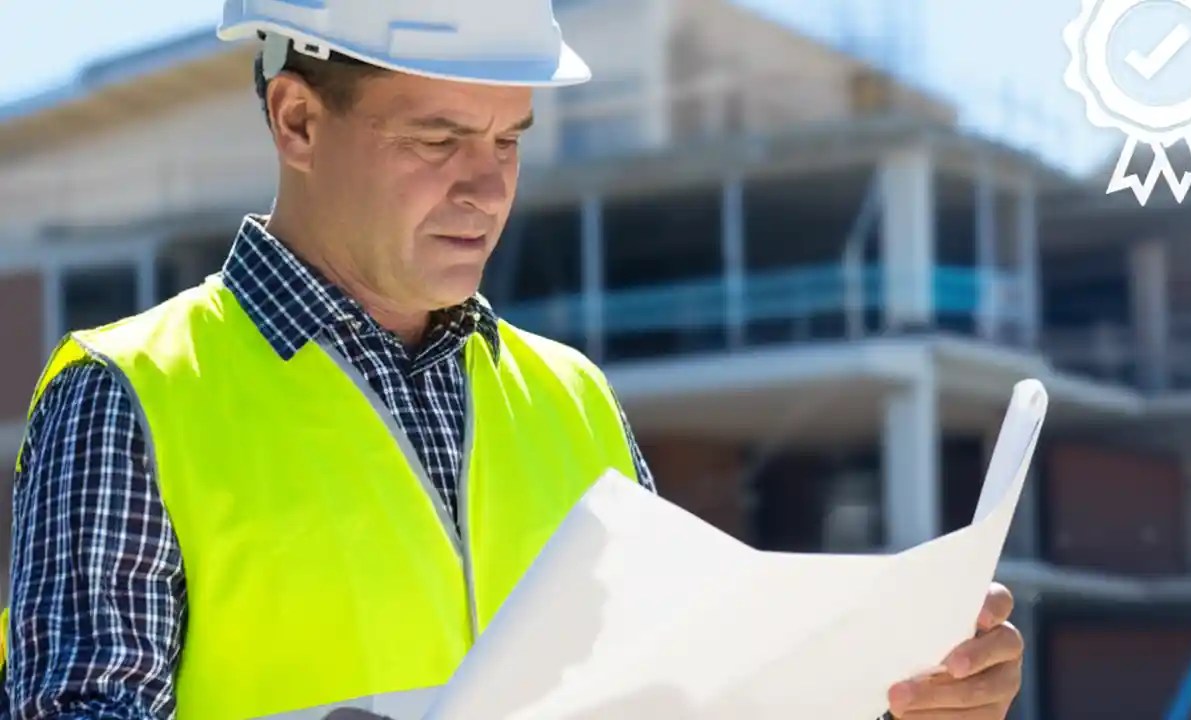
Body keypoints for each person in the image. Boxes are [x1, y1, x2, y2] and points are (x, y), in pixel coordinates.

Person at [2, 1, 1024, 718]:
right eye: (437, 140)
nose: (484, 189)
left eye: (507, 142)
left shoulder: (570, 400)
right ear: (298, 121)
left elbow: (680, 697)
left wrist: (896, 706)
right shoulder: (131, 397)